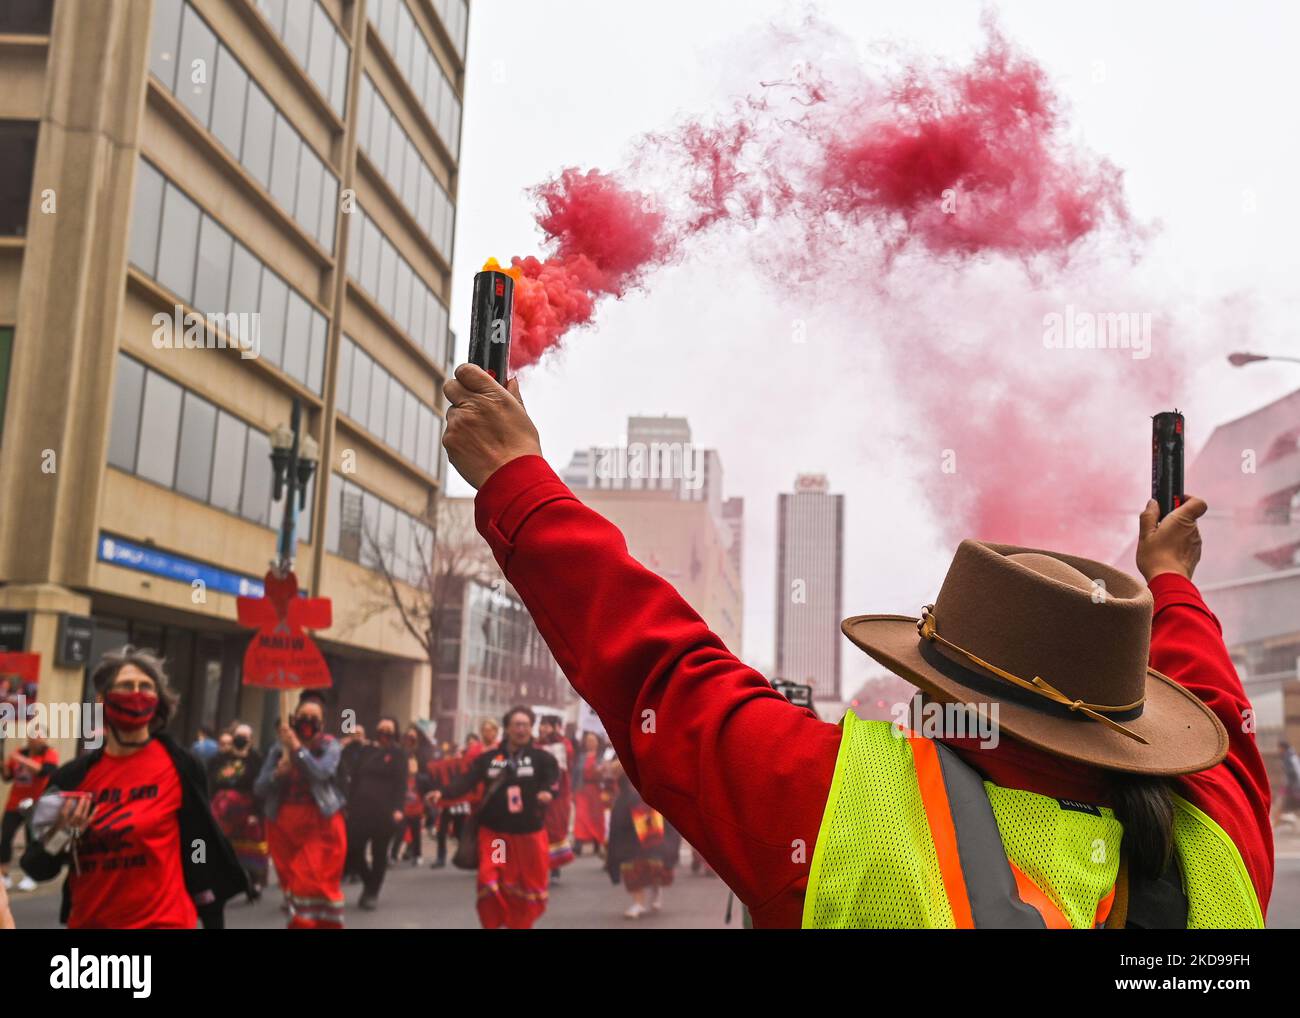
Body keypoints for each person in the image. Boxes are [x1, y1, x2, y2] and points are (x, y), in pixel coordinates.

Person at [441, 362, 1273, 928]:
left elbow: (662, 668)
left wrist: (518, 479)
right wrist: (1170, 583)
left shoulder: (855, 812)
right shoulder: (1220, 843)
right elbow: (1222, 719)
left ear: (940, 692)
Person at [20, 647, 246, 928]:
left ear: (158, 701)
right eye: (126, 686)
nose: (137, 694)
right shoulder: (73, 779)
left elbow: (198, 843)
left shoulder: (181, 766)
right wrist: (63, 834)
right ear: (102, 700)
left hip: (165, 922)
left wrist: (209, 907)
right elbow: (36, 867)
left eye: (147, 687)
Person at [428, 706, 559, 929]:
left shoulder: (542, 758)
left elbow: (553, 781)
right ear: (507, 728)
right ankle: (494, 923)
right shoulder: (490, 758)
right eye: (516, 725)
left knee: (526, 887)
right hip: (497, 836)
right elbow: (466, 780)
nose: (521, 729)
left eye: (525, 725)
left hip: (528, 835)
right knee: (490, 878)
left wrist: (548, 792)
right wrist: (443, 793)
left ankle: (518, 923)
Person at [255, 691, 347, 929]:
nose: (307, 720)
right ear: (293, 719)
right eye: (302, 716)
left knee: (310, 882)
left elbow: (320, 772)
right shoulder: (278, 750)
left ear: (322, 724)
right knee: (292, 888)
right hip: (283, 825)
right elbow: (260, 787)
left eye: (313, 717)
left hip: (320, 825)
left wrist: (297, 748)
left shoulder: (330, 746)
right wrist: (277, 774)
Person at [605, 759, 681, 918]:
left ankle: (656, 890)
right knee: (630, 866)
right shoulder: (621, 784)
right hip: (627, 826)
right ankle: (638, 903)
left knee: (652, 863)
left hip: (645, 823)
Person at [344, 717, 407, 909]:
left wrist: (398, 808)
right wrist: (348, 803)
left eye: (388, 730)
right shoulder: (367, 751)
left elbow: (401, 784)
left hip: (385, 812)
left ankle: (372, 892)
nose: (384, 733)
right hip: (360, 809)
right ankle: (369, 881)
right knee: (354, 849)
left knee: (379, 853)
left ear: (394, 732)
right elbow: (354, 777)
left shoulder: (398, 754)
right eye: (381, 729)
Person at [207, 721, 268, 902]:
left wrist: (257, 813)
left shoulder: (256, 760)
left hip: (246, 808)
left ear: (251, 740)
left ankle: (254, 882)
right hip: (222, 809)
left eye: (245, 737)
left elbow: (260, 787)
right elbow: (210, 781)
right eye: (238, 736)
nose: (241, 740)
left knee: (251, 849)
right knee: (222, 846)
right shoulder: (220, 759)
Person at [1, 720, 58, 893]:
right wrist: (4, 766)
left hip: (36, 805)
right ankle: (4, 875)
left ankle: (30, 875)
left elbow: (44, 771)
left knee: (31, 839)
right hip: (15, 803)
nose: (36, 739)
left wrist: (20, 759)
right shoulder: (19, 752)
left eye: (40, 736)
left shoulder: (49, 754)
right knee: (6, 837)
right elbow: (7, 777)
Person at [536, 714, 575, 875]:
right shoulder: (536, 744)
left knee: (556, 828)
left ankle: (555, 865)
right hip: (538, 793)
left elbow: (568, 758)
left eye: (547, 725)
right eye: (541, 725)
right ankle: (541, 863)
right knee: (540, 828)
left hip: (559, 795)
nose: (543, 728)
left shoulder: (564, 744)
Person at [391, 725, 432, 865]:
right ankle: (393, 855)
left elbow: (427, 784)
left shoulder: (423, 755)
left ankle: (416, 853)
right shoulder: (400, 753)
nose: (410, 739)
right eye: (408, 736)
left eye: (413, 737)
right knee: (399, 832)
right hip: (403, 806)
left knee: (415, 833)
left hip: (416, 807)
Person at [572, 731, 611, 856]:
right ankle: (578, 842)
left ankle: (596, 841)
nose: (590, 743)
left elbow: (607, 774)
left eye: (593, 740)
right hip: (582, 789)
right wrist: (573, 790)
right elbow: (575, 774)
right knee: (580, 816)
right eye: (588, 740)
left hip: (597, 791)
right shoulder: (581, 757)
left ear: (597, 743)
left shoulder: (602, 757)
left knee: (596, 817)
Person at [1274, 741, 1300, 830]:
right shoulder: (1289, 757)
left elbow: (1295, 773)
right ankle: (1276, 824)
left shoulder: (1289, 758)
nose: (1278, 750)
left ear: (1283, 748)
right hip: (1290, 787)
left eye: (1279, 748)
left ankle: (1274, 826)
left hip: (1291, 788)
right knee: (1281, 805)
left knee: (1280, 805)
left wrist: (1293, 788)